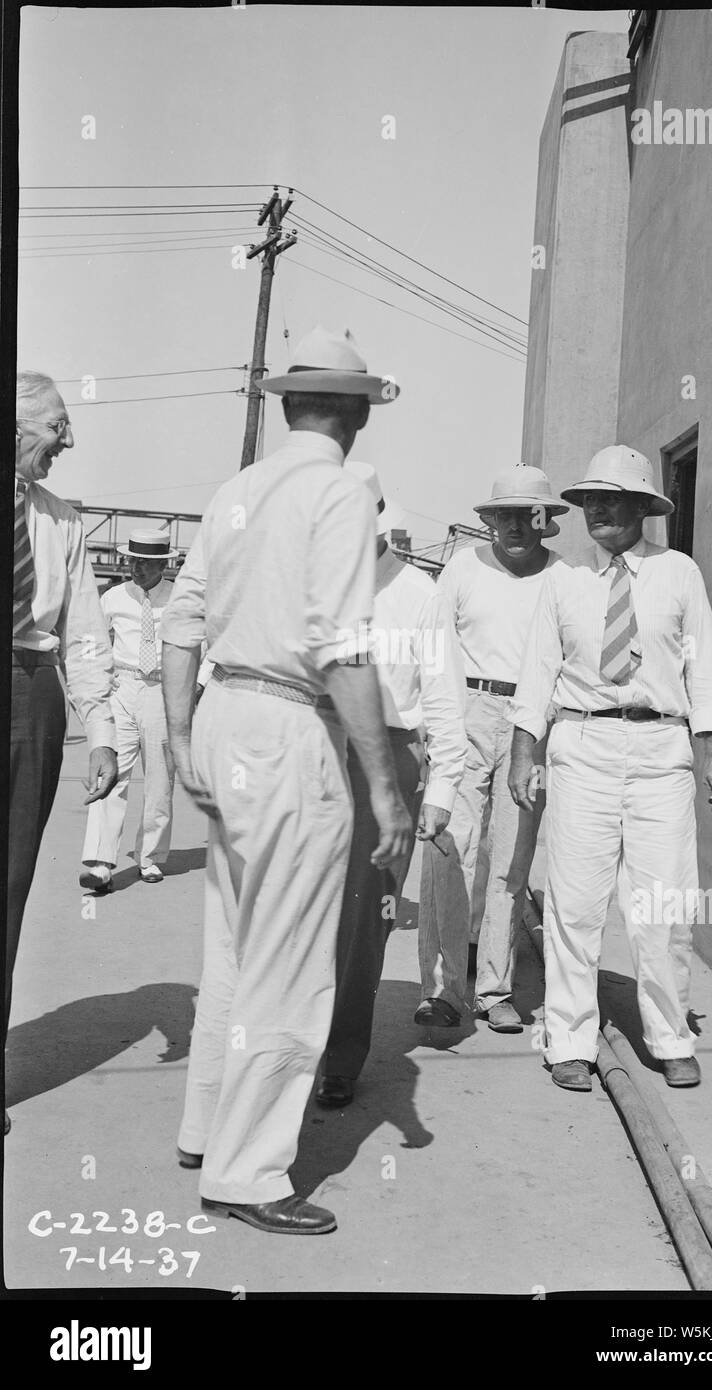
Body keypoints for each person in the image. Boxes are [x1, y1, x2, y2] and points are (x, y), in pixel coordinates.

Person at [160, 326, 411, 1236]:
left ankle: (204, 1127)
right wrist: (384, 788)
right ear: (352, 412)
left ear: (289, 403)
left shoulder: (236, 490)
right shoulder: (339, 492)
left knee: (233, 942)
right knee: (293, 958)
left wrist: (184, 731)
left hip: (227, 712)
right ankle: (248, 1173)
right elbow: (341, 645)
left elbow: (181, 619)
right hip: (288, 725)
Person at [507, 445, 712, 1091]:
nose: (599, 509)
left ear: (643, 506)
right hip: (582, 747)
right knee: (575, 906)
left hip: (660, 752)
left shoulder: (678, 573)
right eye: (589, 499)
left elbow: (705, 667)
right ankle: (570, 1041)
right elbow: (536, 671)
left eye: (613, 498)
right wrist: (523, 750)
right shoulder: (563, 578)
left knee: (662, 905)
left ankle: (669, 1036)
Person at [316, 462, 468, 1109]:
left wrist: (438, 794)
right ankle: (281, 1050)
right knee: (296, 907)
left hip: (391, 760)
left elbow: (442, 699)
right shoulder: (311, 584)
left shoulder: (419, 593)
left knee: (363, 918)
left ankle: (338, 1057)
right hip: (314, 751)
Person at [417, 467, 567, 1030]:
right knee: (451, 847)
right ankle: (442, 988)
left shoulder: (563, 578)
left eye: (528, 514)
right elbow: (431, 654)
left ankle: (495, 988)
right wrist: (438, 724)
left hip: (533, 722)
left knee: (510, 858)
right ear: (488, 519)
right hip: (466, 712)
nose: (515, 526)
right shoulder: (459, 571)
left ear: (546, 520)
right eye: (503, 514)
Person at [8, 371, 118, 1132]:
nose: (68, 441)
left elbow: (83, 632)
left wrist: (104, 732)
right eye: (57, 425)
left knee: (8, 884)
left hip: (29, 695)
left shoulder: (62, 521)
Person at [80, 529, 180, 891]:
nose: (136, 568)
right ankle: (99, 862)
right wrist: (95, 680)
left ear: (161, 565)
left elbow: (205, 643)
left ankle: (150, 857)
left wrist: (194, 687)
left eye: (144, 562)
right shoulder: (113, 597)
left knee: (159, 779)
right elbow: (91, 642)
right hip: (122, 689)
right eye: (132, 560)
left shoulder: (182, 598)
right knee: (112, 772)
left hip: (163, 691)